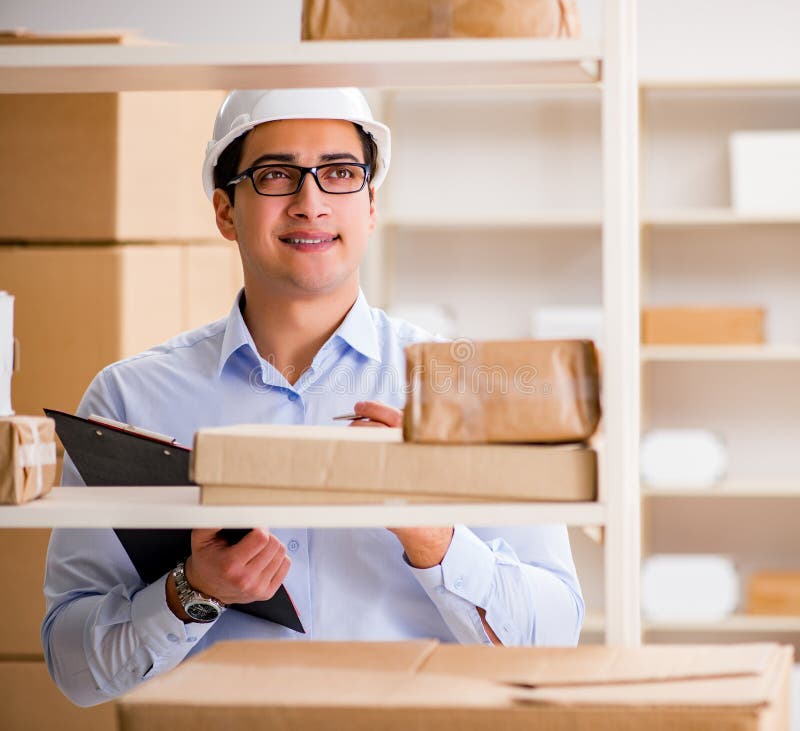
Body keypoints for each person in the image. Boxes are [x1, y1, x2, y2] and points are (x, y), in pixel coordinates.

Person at [42, 88, 584, 707]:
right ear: (225, 211)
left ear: (371, 205)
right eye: (276, 175)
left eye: (340, 173)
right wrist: (189, 591)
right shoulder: (129, 399)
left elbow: (555, 640)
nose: (311, 202)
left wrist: (433, 533)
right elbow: (74, 670)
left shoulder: (467, 390)